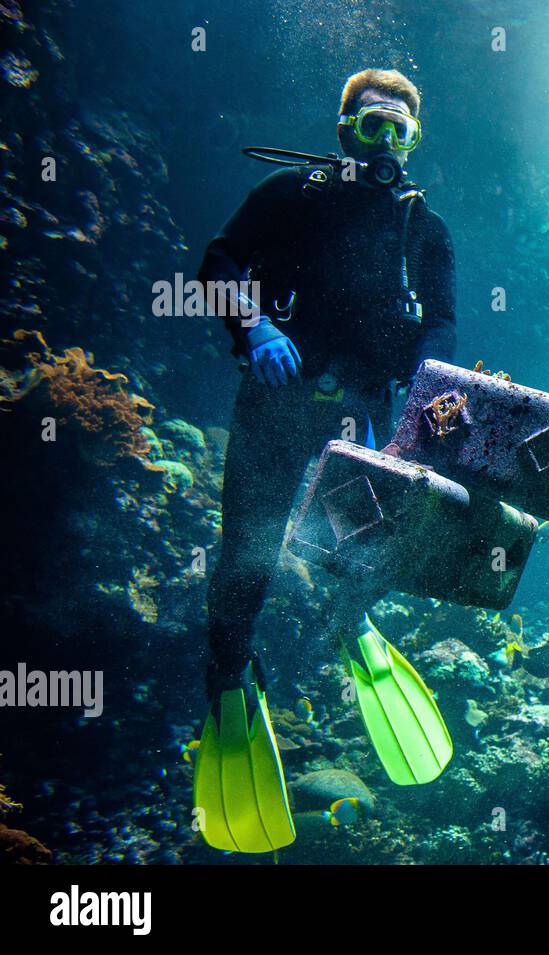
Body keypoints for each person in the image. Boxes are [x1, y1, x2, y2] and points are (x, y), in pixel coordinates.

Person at [192, 69, 456, 853]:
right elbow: (217, 263)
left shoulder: (424, 228)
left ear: (414, 140)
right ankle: (229, 675)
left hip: (365, 409)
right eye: (372, 126)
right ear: (345, 130)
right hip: (278, 397)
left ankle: (354, 620)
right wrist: (254, 331)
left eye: (400, 131)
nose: (386, 144)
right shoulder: (291, 195)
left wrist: (428, 388)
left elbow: (441, 324)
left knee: (362, 547)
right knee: (247, 545)